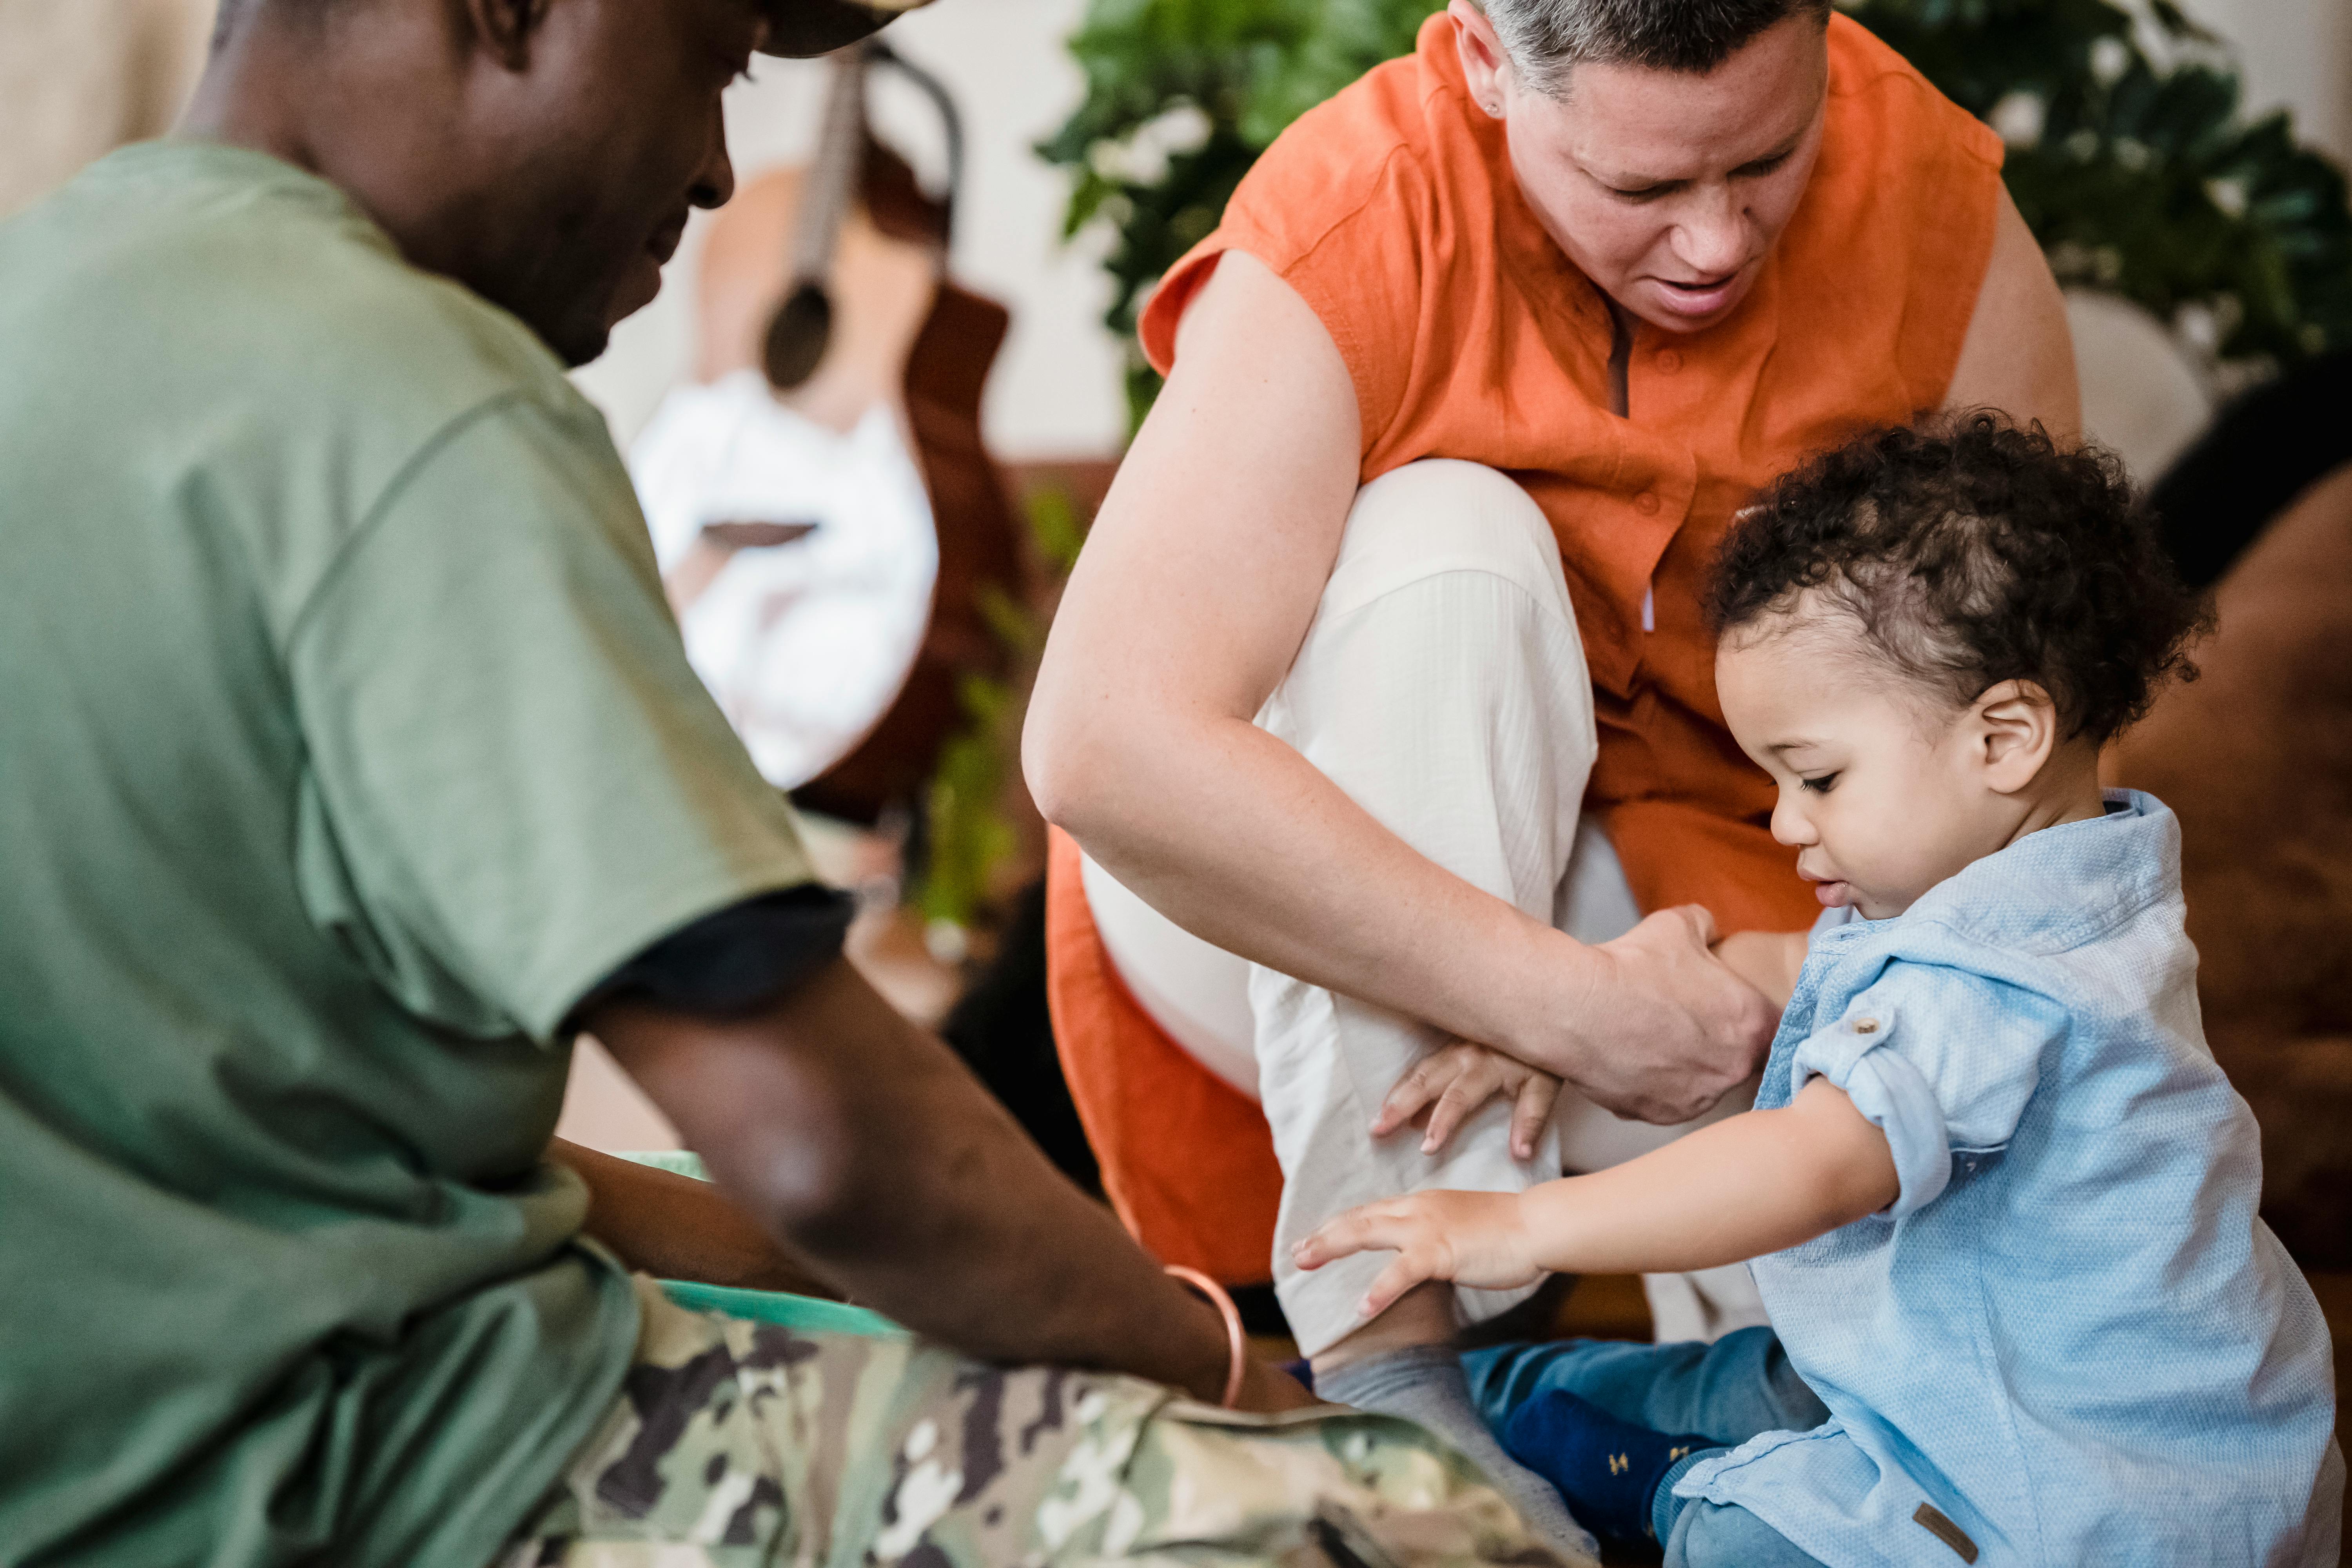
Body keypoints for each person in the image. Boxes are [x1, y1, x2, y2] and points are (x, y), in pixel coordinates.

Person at [0, 2, 1576, 1564]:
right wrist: (1225, 1372)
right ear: (507, 11)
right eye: (711, 62)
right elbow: (820, 1136)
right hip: (368, 1468)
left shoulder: (56, 305)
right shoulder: (402, 391)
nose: (709, 170)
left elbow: (297, 1145)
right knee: (1424, 1527)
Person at [1023, 0, 2076, 1539]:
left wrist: (1751, 968)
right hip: (1297, 947)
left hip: (1724, 944)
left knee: (1945, 1406)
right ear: (1480, 65)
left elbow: (2036, 776)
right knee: (1451, 541)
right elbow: (1101, 740)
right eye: (1644, 191)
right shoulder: (1360, 214)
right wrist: (1529, 986)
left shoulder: (1950, 219)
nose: (1717, 241)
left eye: (1769, 159)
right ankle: (1395, 1392)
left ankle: (1709, 1402)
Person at [1296, 416, 2345, 1565]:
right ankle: (1586, 1402)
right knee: (1769, 1382)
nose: (1787, 823)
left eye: (1819, 778)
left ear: (2004, 737)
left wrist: (1519, 1226)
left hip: (2068, 1509)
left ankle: (1653, 1486)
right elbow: (1803, 971)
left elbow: (1812, 1162)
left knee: (1747, 1540)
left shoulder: (1996, 981)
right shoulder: (2084, 889)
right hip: (2196, 1449)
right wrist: (1573, 1019)